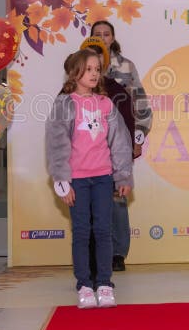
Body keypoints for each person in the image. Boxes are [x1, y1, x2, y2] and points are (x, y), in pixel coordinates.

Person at [45, 48, 133, 308]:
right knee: (82, 232)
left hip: (103, 177)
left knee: (104, 230)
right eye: (88, 69)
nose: (94, 74)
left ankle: (104, 284)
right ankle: (84, 284)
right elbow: (56, 143)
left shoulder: (106, 104)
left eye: (97, 69)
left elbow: (119, 142)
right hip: (77, 180)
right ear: (75, 73)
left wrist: (123, 176)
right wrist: (62, 180)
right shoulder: (65, 104)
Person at [91, 20, 152, 271]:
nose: (102, 38)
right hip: (89, 143)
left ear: (113, 38)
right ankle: (95, 253)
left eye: (106, 34)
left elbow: (140, 103)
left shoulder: (126, 66)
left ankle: (118, 253)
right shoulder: (81, 65)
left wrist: (138, 137)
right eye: (97, 34)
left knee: (118, 197)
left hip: (119, 141)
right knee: (90, 199)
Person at [79, 37, 136, 281]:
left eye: (98, 56)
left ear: (104, 61)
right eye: (88, 58)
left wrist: (124, 161)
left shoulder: (116, 91)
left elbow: (126, 127)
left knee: (116, 205)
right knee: (86, 213)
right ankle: (90, 261)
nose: (94, 64)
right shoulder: (68, 94)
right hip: (82, 165)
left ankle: (118, 254)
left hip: (111, 162)